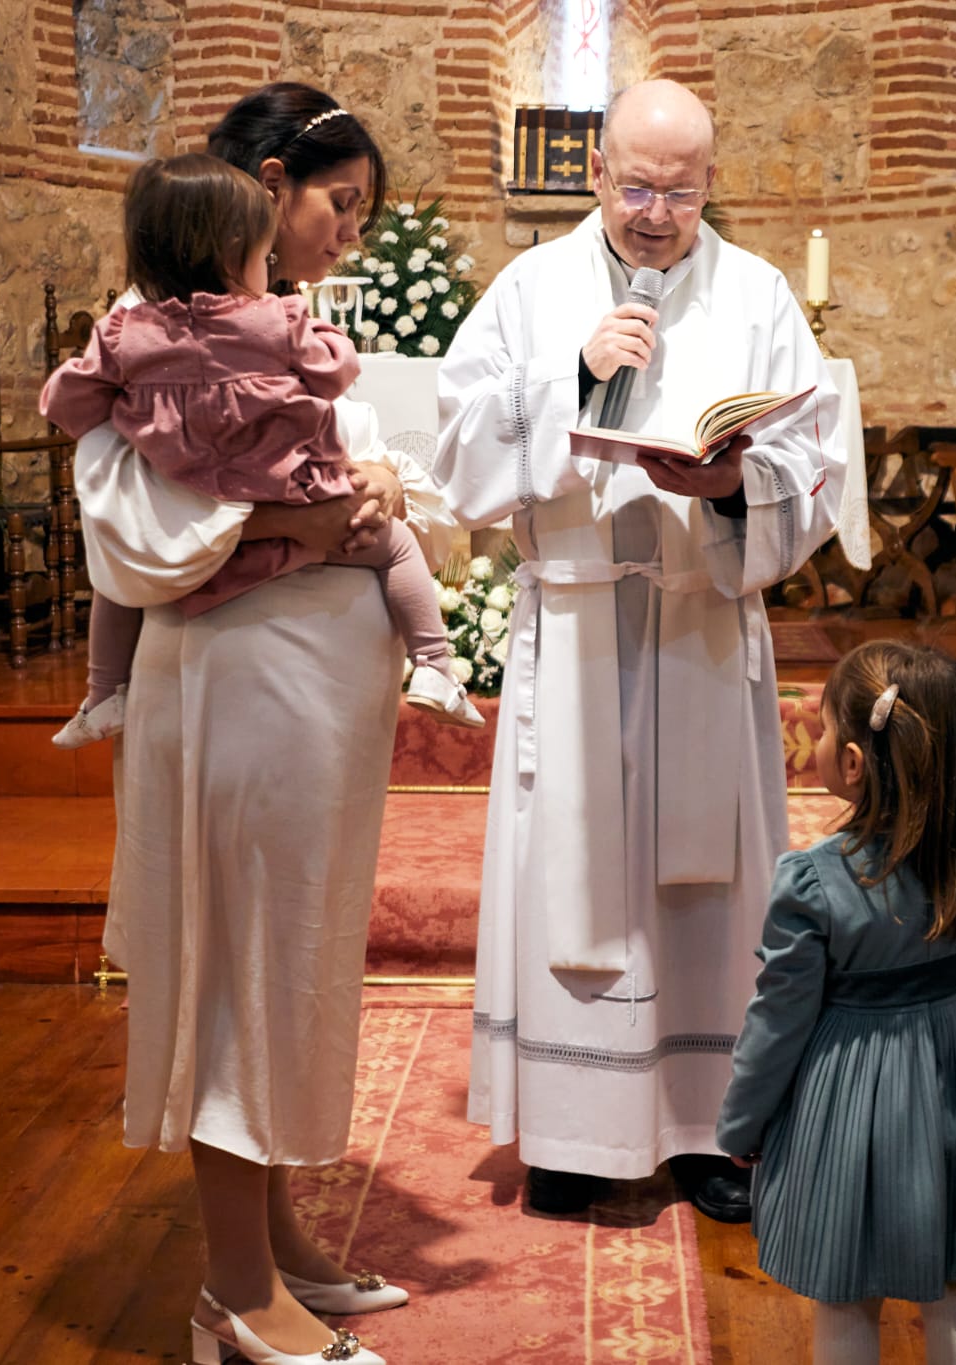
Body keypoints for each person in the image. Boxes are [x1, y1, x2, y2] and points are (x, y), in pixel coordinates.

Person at [434, 78, 848, 1223]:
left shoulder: (757, 292)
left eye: (680, 188)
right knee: (578, 877)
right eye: (635, 185)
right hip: (574, 627)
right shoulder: (532, 288)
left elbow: (814, 461)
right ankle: (572, 1134)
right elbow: (458, 447)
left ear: (712, 181)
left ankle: (710, 1131)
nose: (656, 210)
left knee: (707, 892)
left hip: (699, 625)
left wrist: (730, 485)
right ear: (595, 172)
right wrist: (567, 374)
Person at [77, 84, 446, 1365]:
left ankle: (278, 1238)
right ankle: (234, 1292)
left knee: (291, 958)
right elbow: (129, 529)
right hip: (239, 680)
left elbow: (350, 483)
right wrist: (303, 523)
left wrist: (374, 488)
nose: (351, 231)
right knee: (238, 969)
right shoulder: (145, 334)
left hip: (312, 688)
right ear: (271, 185)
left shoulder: (291, 326)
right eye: (339, 204)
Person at [716, 640, 956, 1365]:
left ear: (851, 763)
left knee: (847, 1292)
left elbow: (777, 1022)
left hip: (850, 1099)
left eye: (822, 730)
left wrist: (742, 1121)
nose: (817, 743)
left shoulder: (814, 883)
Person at [43, 153, 480, 748]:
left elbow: (67, 399)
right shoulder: (273, 318)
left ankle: (102, 695)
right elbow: (336, 369)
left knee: (114, 583)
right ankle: (434, 667)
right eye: (261, 247)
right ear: (234, 250)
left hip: (200, 544)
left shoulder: (126, 333)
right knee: (395, 547)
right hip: (287, 508)